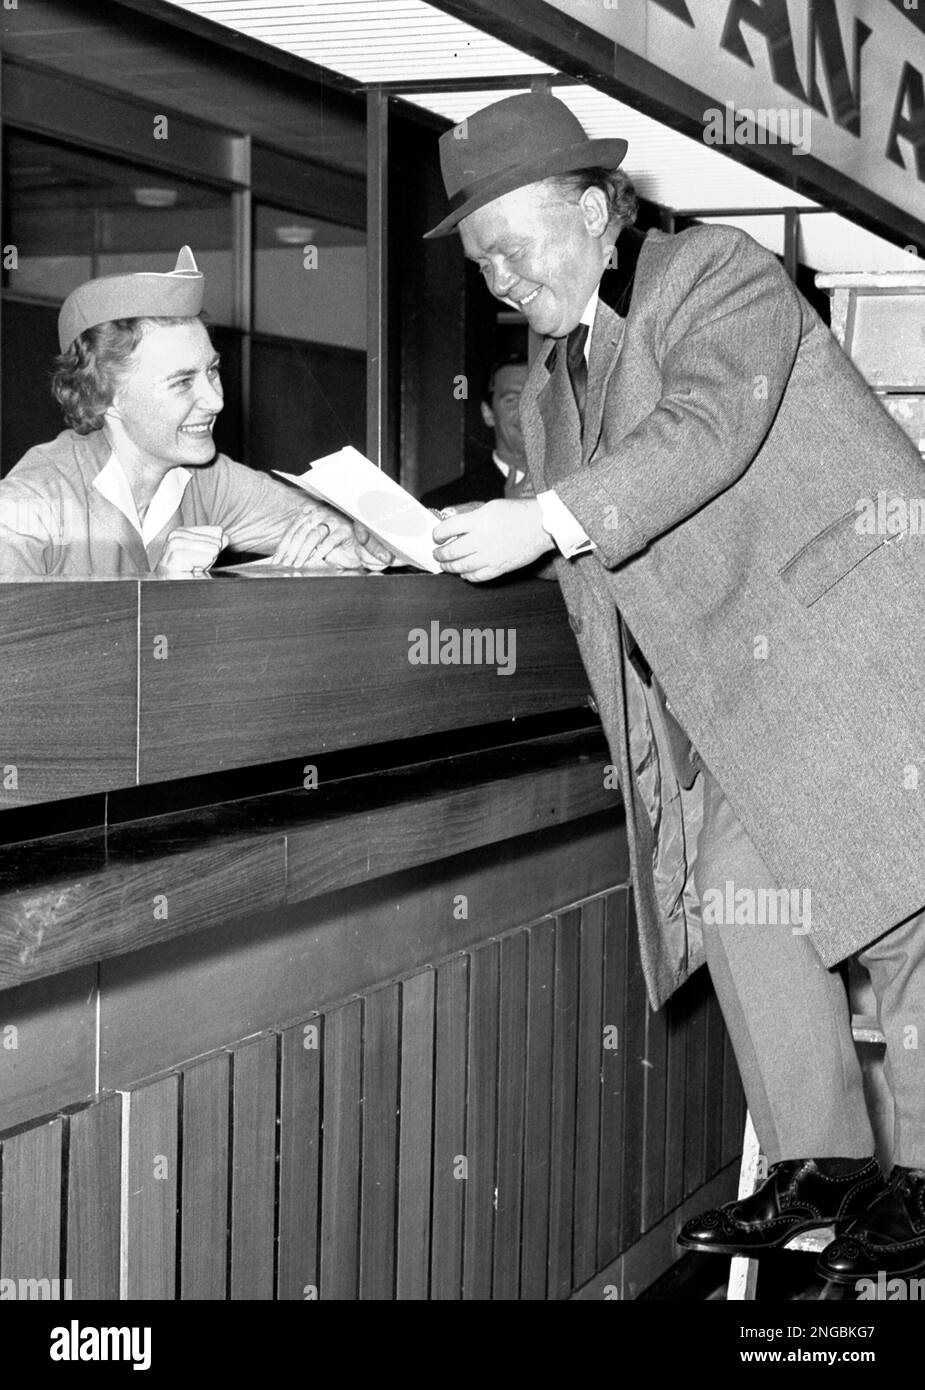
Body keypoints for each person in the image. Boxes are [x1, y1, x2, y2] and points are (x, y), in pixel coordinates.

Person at [425, 91, 925, 1285]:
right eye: (480, 257)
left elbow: (711, 424)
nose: (497, 277)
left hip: (860, 651)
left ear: (597, 211)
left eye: (512, 244)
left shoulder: (712, 271)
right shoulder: (549, 386)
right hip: (746, 711)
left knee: (908, 930)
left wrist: (540, 516)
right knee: (736, 887)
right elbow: (594, 588)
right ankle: (827, 1166)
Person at [0, 247, 390, 577]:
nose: (216, 400)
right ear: (106, 395)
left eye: (212, 371)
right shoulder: (30, 504)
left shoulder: (207, 480)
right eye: (182, 382)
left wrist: (353, 545)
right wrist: (156, 594)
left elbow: (341, 529)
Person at [421, 353, 531, 510]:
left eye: (536, 396)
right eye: (512, 399)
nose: (527, 410)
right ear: (488, 413)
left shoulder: (573, 489)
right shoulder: (445, 503)